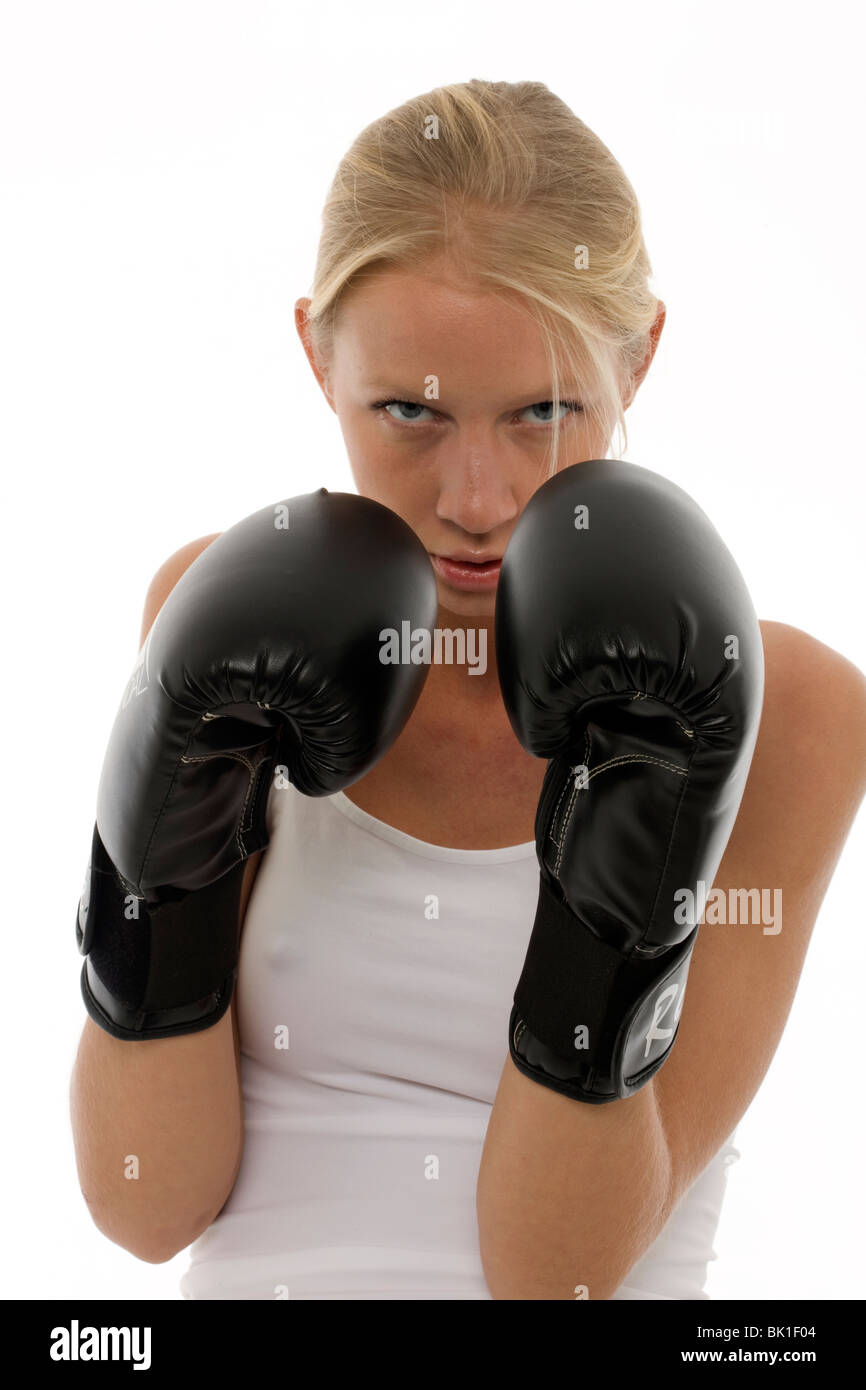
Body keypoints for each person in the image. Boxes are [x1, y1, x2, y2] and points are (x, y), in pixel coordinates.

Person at [70, 79, 866, 1301]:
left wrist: (627, 844)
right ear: (312, 351)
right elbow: (142, 1201)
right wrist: (155, 875)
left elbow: (558, 1277)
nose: (477, 499)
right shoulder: (216, 615)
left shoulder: (791, 706)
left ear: (640, 355)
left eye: (543, 412)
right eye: (408, 412)